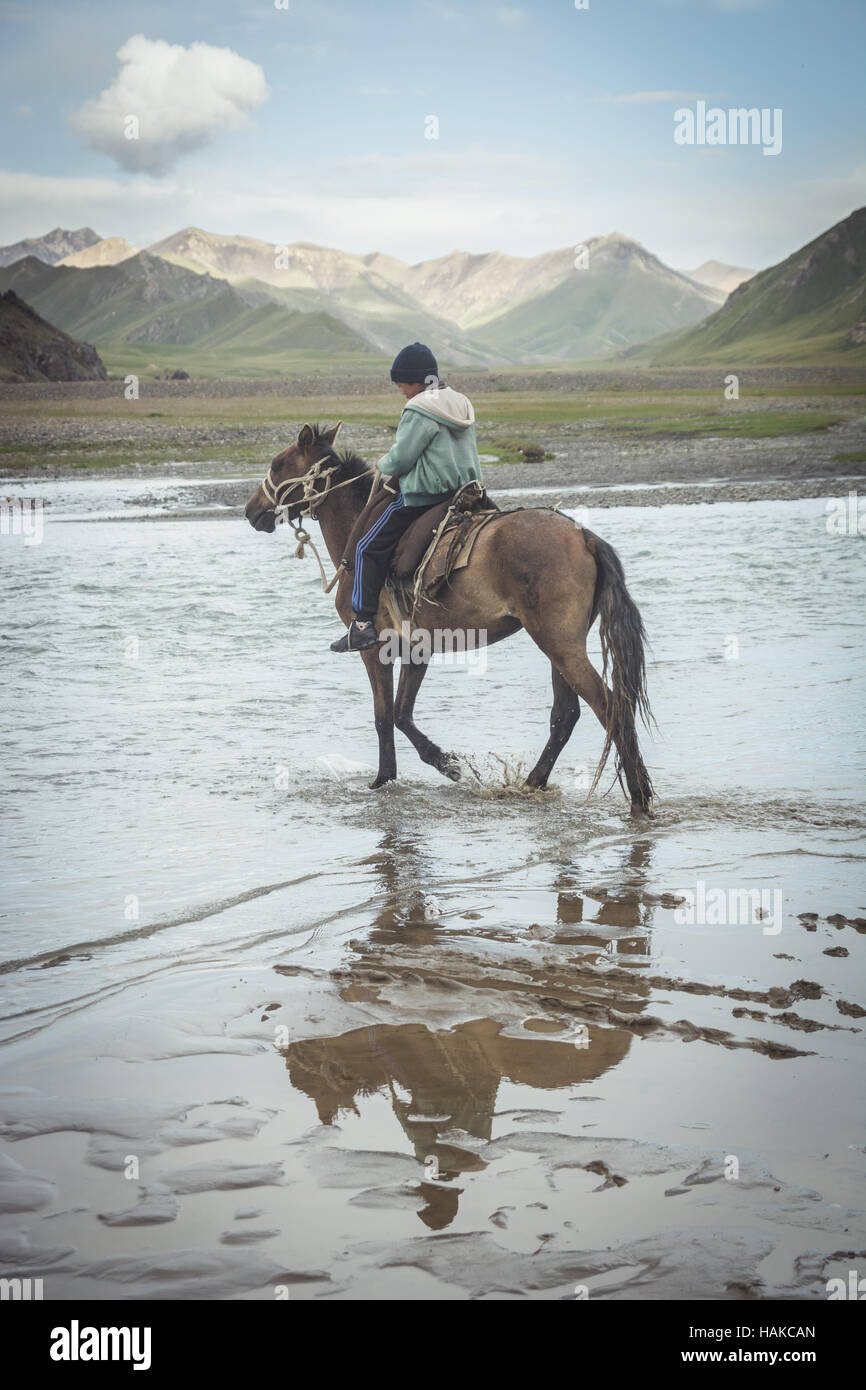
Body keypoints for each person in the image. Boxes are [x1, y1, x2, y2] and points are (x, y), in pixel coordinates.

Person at [331, 342, 482, 652]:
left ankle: (362, 625)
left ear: (416, 381)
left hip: (424, 496)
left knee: (366, 548)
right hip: (465, 491)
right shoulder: (460, 402)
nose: (401, 391)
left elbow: (403, 459)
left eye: (401, 384)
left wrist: (382, 463)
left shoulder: (419, 409)